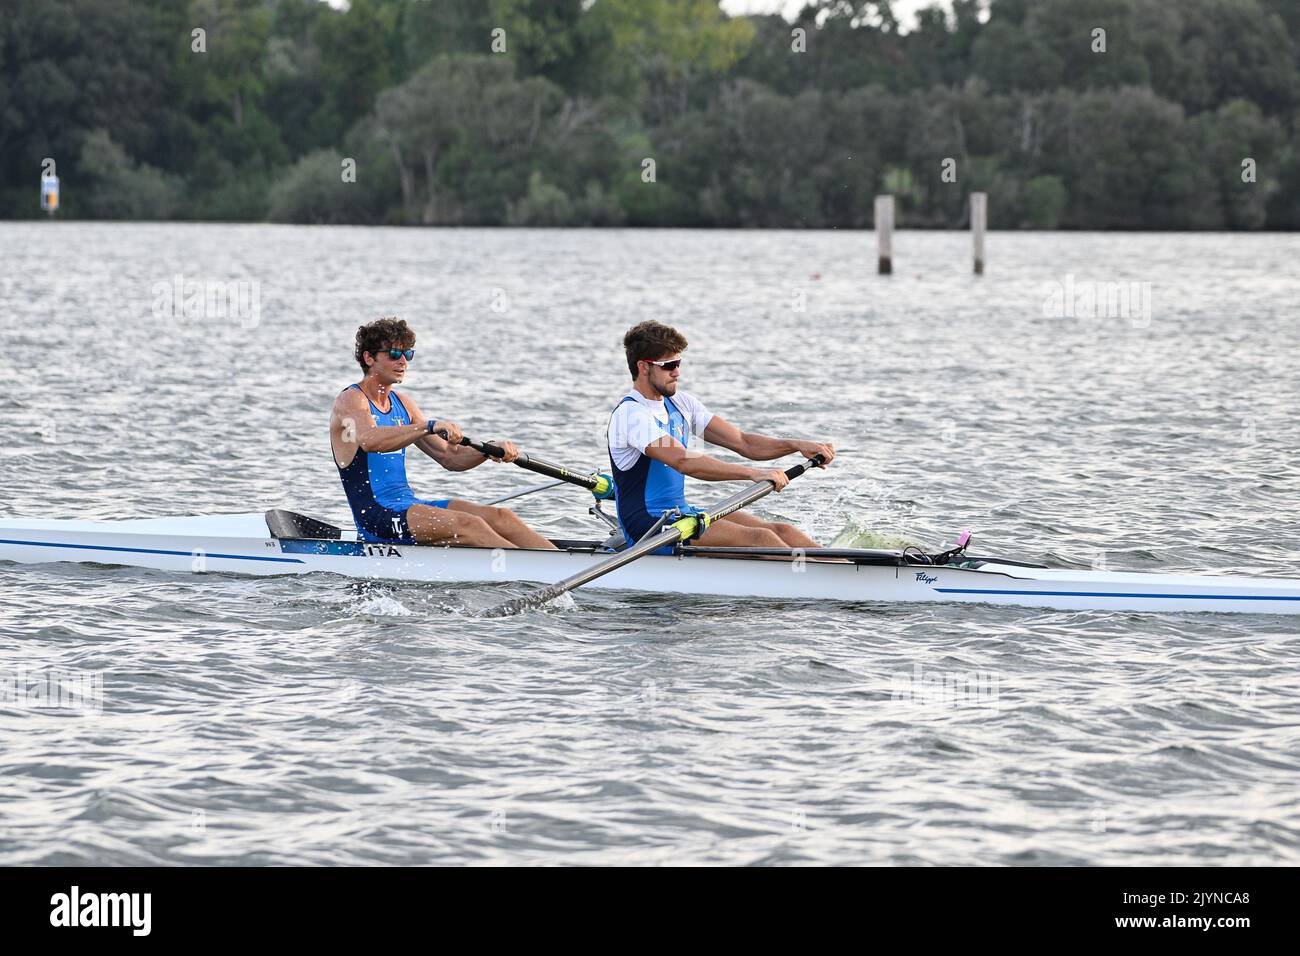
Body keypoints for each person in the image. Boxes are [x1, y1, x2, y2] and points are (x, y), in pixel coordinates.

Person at [329, 317, 556, 549]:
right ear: (369, 358)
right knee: (470, 525)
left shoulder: (403, 404)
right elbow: (369, 439)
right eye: (394, 354)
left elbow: (450, 457)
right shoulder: (350, 399)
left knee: (502, 517)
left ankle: (558, 564)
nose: (403, 361)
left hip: (407, 504)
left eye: (408, 354)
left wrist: (488, 450)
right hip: (376, 517)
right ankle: (535, 572)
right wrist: (427, 426)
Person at [607, 320, 834, 550]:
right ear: (644, 367)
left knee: (783, 531)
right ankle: (816, 582)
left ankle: (840, 571)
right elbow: (684, 462)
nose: (677, 371)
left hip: (679, 513)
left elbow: (744, 443)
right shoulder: (631, 415)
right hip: (647, 527)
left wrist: (795, 444)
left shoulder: (681, 403)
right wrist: (753, 474)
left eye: (679, 362)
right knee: (761, 540)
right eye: (669, 365)